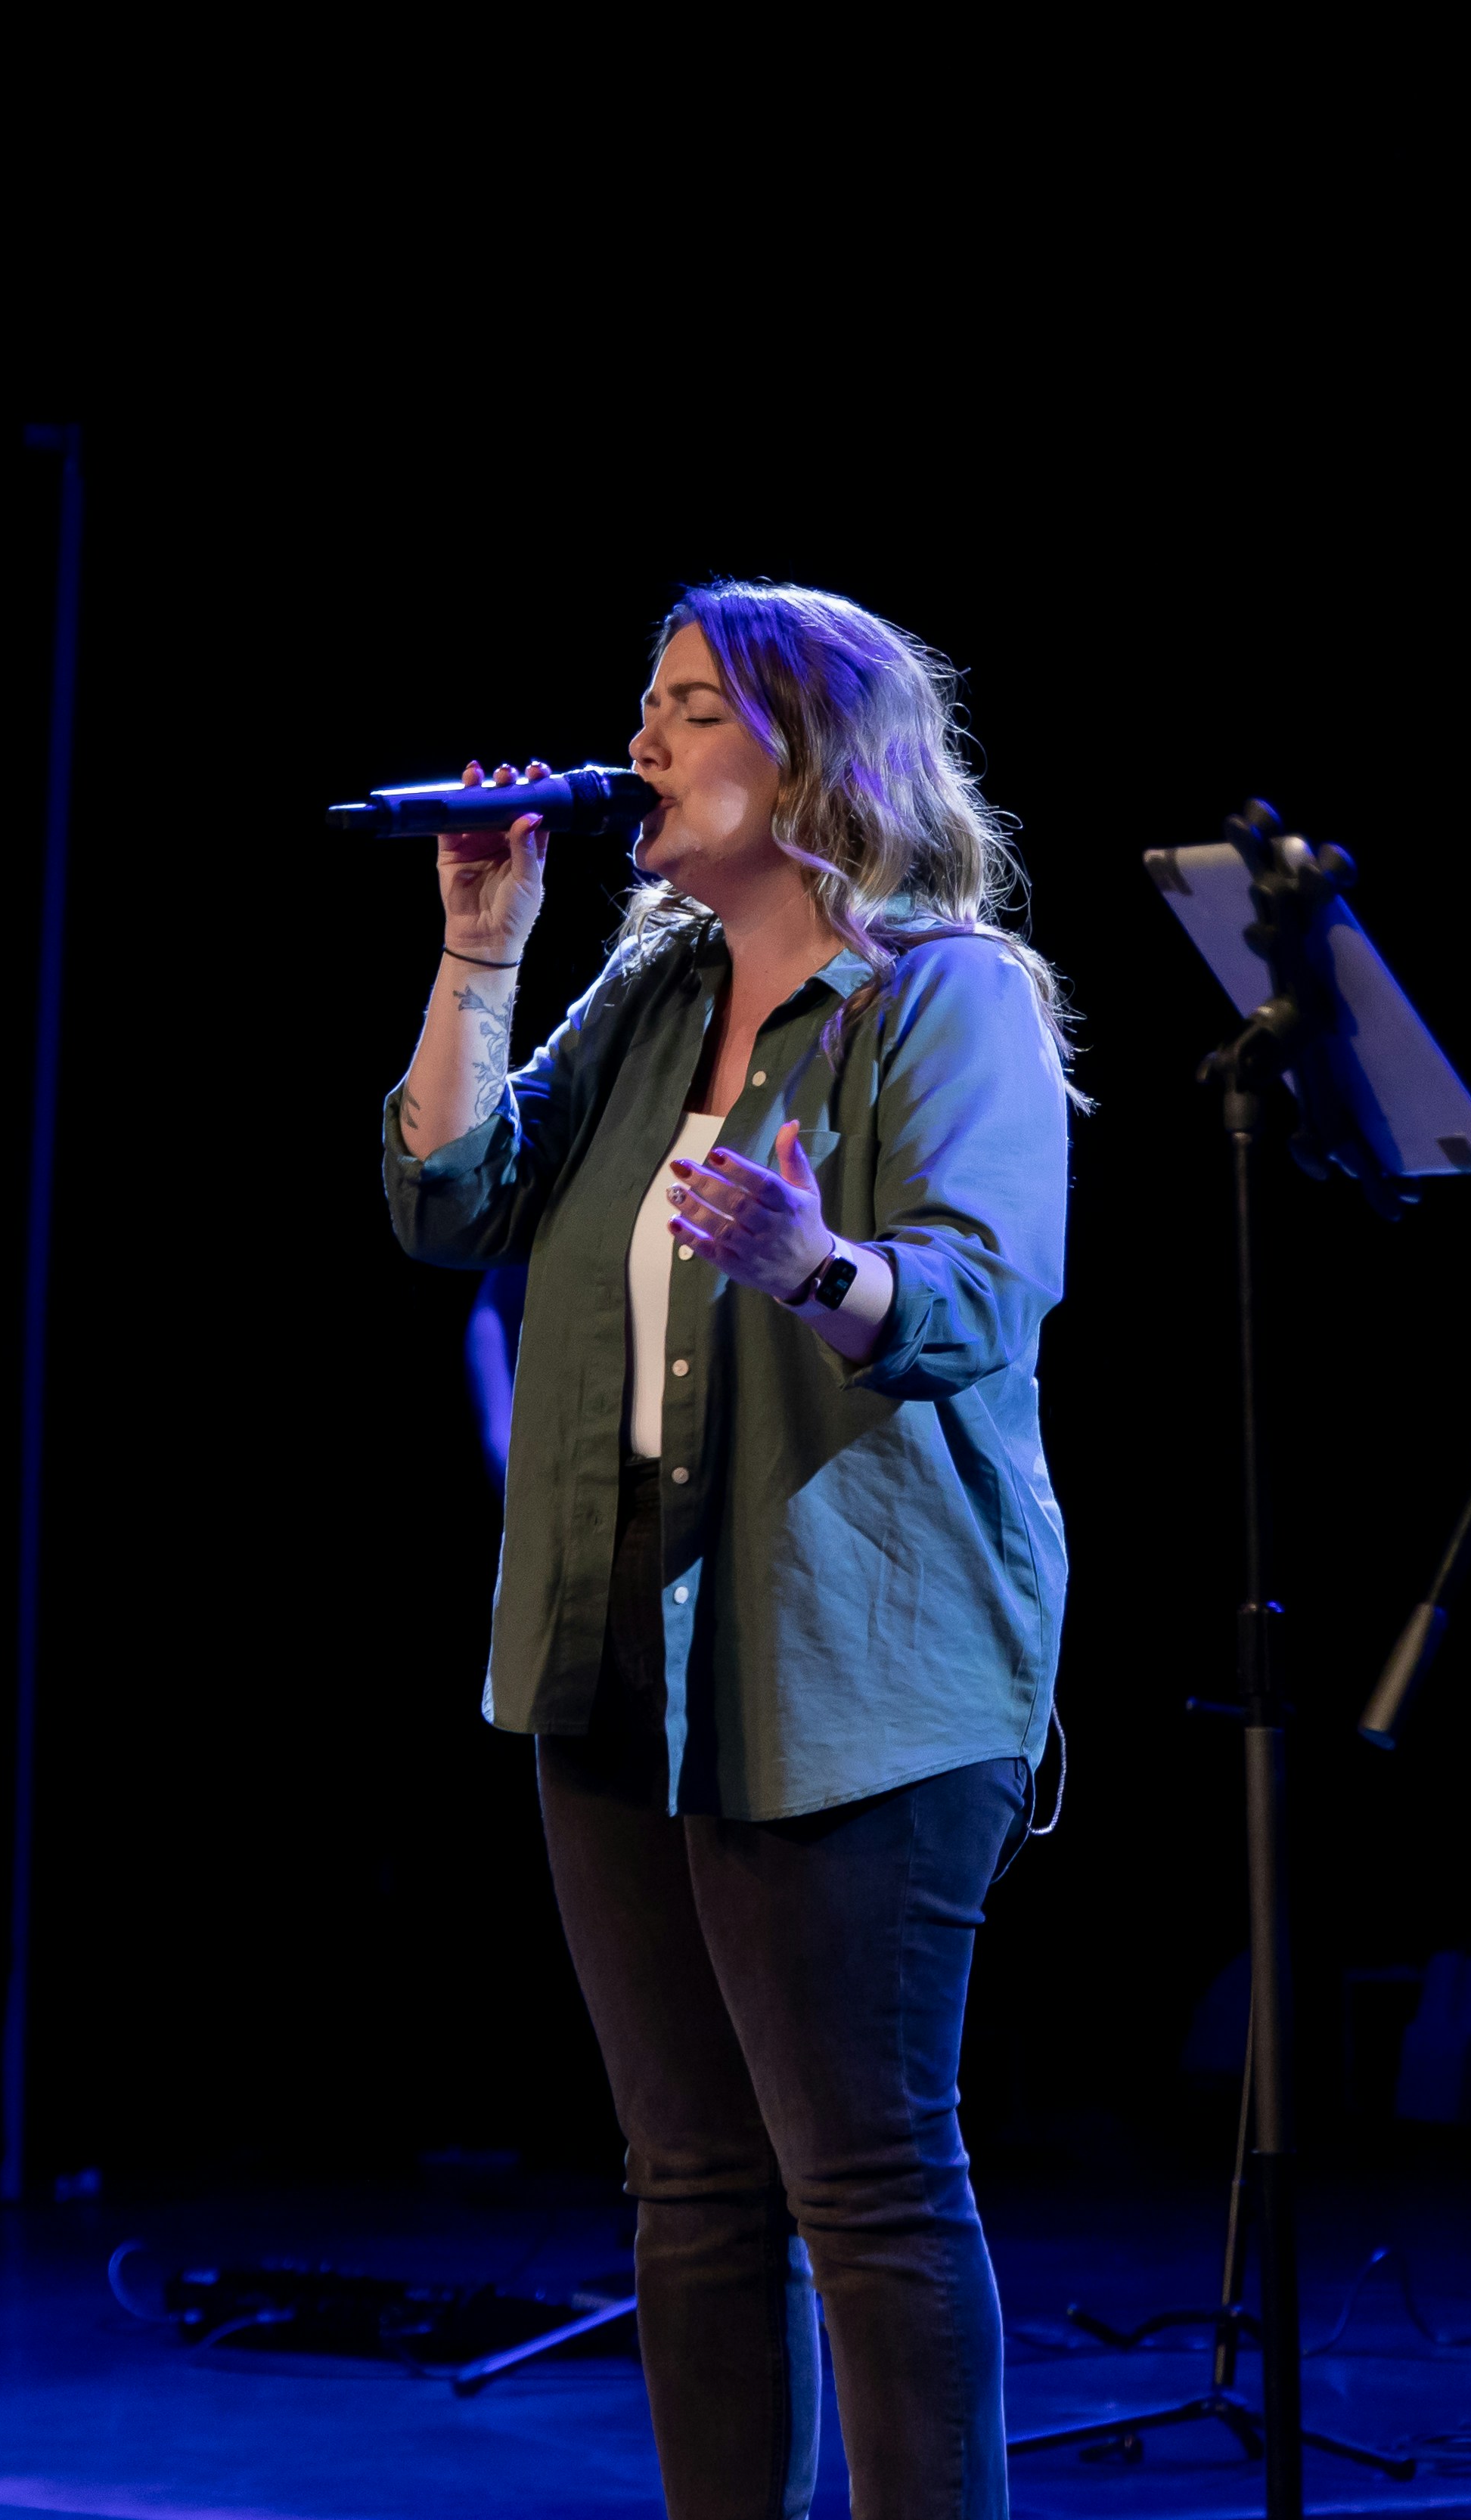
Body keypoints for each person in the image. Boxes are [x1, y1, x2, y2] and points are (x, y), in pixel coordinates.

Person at [385, 581, 1078, 2520]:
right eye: (646, 704)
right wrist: (478, 953)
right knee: (688, 2188)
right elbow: (449, 1204)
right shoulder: (648, 995)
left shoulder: (949, 995)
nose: (642, 741)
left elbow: (975, 1292)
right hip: (614, 1650)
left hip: (852, 1667)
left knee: (861, 2185)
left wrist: (815, 1266)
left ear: (814, 757)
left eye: (690, 709)